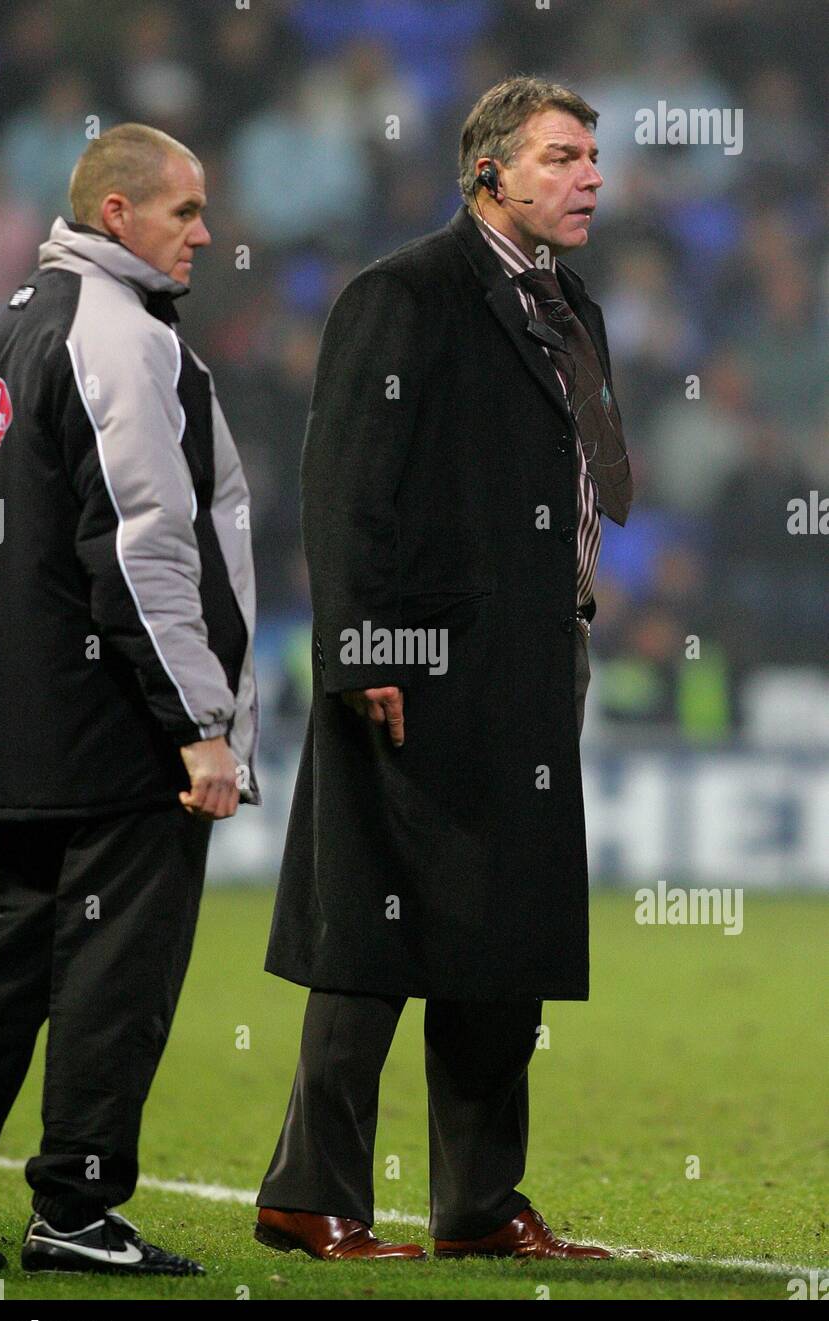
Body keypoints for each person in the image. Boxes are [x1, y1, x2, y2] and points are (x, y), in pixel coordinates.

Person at [255, 77, 633, 1261]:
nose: (589, 179)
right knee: (375, 925)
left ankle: (477, 1202)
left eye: (591, 158)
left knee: (503, 931)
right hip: (414, 662)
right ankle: (307, 1193)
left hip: (530, 656)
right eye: (562, 158)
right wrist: (365, 641)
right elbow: (345, 483)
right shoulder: (404, 293)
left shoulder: (568, 302)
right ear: (489, 173)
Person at [0, 123, 259, 1276]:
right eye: (184, 212)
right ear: (119, 215)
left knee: (8, 961)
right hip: (115, 727)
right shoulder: (116, 337)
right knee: (114, 971)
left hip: (28, 721)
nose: (204, 233)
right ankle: (75, 1211)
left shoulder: (6, 330)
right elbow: (142, 547)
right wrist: (197, 723)